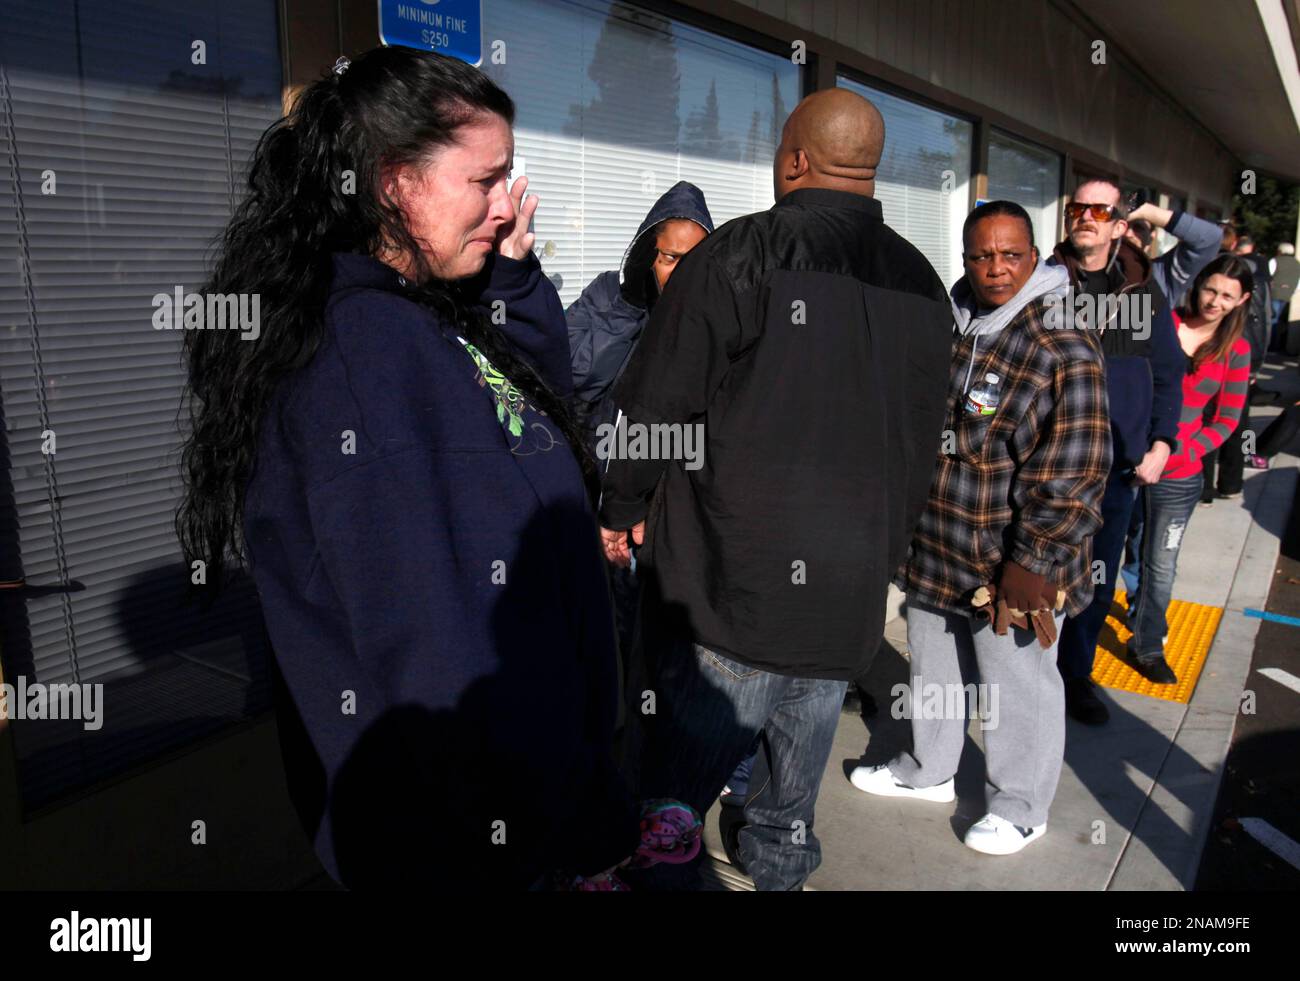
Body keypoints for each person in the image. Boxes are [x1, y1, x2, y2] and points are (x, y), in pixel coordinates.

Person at [175, 47, 639, 890]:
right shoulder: (367, 358)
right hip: (469, 843)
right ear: (394, 181)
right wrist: (571, 820)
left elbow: (533, 413)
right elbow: (434, 655)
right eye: (485, 180)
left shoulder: (425, 309)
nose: (505, 204)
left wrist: (514, 274)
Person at [598, 88, 954, 890]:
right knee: (789, 810)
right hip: (843, 604)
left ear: (795, 160)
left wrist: (619, 509)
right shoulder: (925, 285)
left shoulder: (736, 256)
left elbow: (656, 407)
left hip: (729, 594)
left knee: (671, 812)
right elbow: (922, 445)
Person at [854, 201, 1110, 855]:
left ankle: (1022, 806)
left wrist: (1036, 560)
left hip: (1013, 559)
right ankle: (929, 771)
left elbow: (1076, 464)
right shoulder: (954, 320)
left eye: (1010, 254)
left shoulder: (1063, 339)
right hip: (940, 544)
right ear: (965, 256)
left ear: (1035, 255)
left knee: (1018, 683)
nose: (995, 267)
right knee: (935, 669)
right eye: (981, 255)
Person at [1050, 180, 1184, 725]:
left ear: (1119, 226)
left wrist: (1161, 443)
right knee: (1036, 574)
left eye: (1099, 210)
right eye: (1077, 208)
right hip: (1045, 462)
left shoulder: (1143, 294)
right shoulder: (1043, 282)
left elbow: (1171, 376)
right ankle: (1018, 680)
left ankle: (1073, 679)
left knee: (1097, 580)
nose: (1086, 216)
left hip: (1116, 468)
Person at [566, 183, 713, 676]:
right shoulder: (610, 295)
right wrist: (628, 306)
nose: (680, 272)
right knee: (601, 641)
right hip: (600, 500)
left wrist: (654, 506)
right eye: (670, 257)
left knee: (661, 654)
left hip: (663, 519)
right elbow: (576, 376)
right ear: (648, 254)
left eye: (694, 259)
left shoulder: (718, 317)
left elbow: (711, 428)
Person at [1125, 255, 1252, 681]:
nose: (1215, 301)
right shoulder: (1163, 324)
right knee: (1123, 553)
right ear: (1198, 285)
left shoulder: (1236, 348)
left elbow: (1227, 421)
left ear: (1242, 300)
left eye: (1227, 296)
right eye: (1210, 290)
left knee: (1161, 563)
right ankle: (1119, 618)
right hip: (1127, 464)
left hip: (1178, 475)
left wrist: (1175, 454)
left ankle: (1147, 644)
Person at [1123, 201, 1222, 307]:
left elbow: (1211, 237)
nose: (1128, 234)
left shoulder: (1162, 276)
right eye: (1124, 226)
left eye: (1138, 228)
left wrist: (1145, 211)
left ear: (1151, 237)